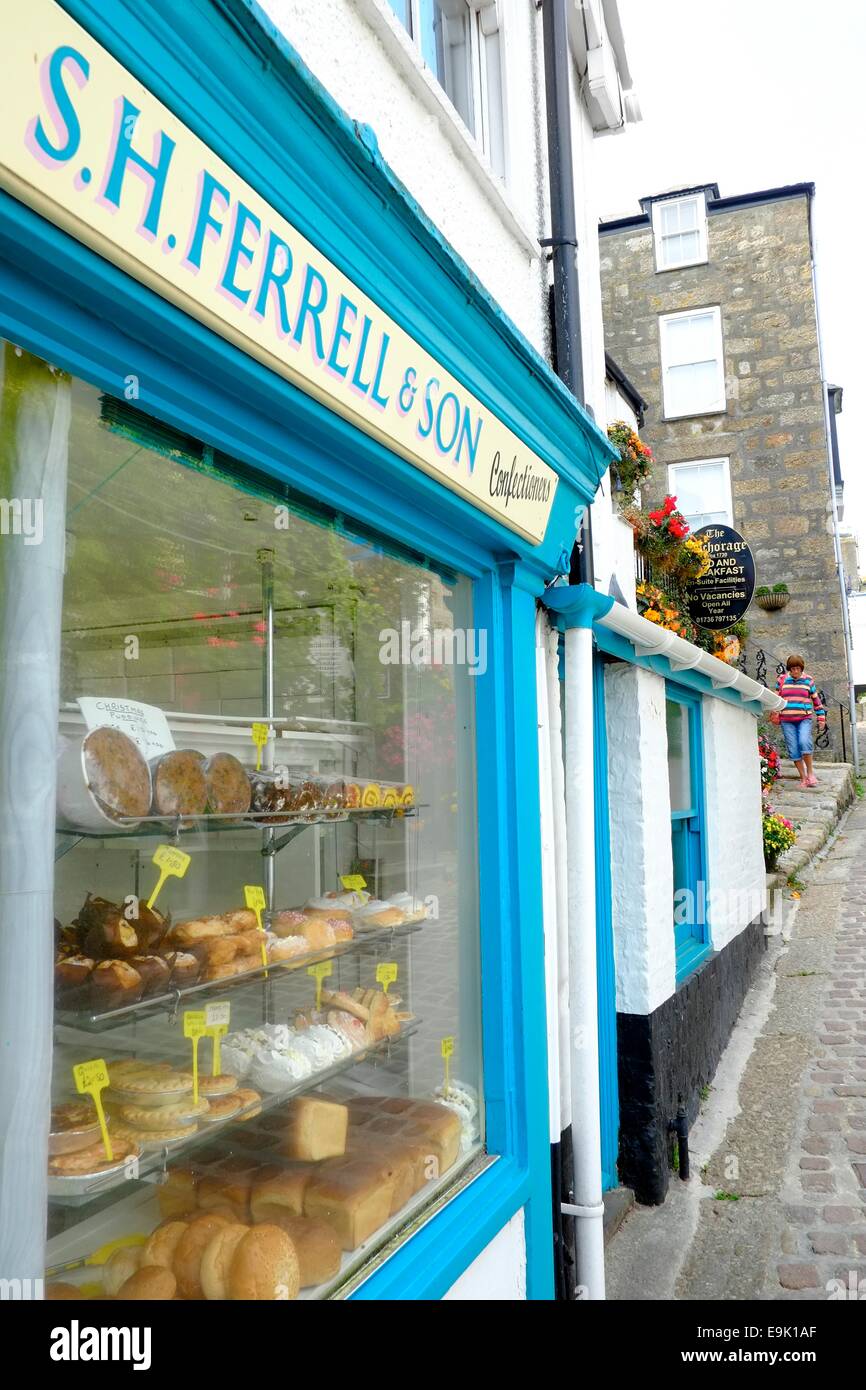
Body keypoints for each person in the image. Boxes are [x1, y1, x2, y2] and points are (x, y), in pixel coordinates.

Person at [776, 654, 826, 789]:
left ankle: (810, 774)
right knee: (793, 749)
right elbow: (776, 700)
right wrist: (774, 713)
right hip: (787, 720)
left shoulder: (808, 681)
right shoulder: (781, 680)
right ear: (789, 669)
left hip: (804, 719)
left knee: (804, 742)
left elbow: (816, 701)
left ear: (801, 668)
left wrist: (821, 717)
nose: (795, 671)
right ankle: (803, 778)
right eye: (792, 669)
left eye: (798, 668)